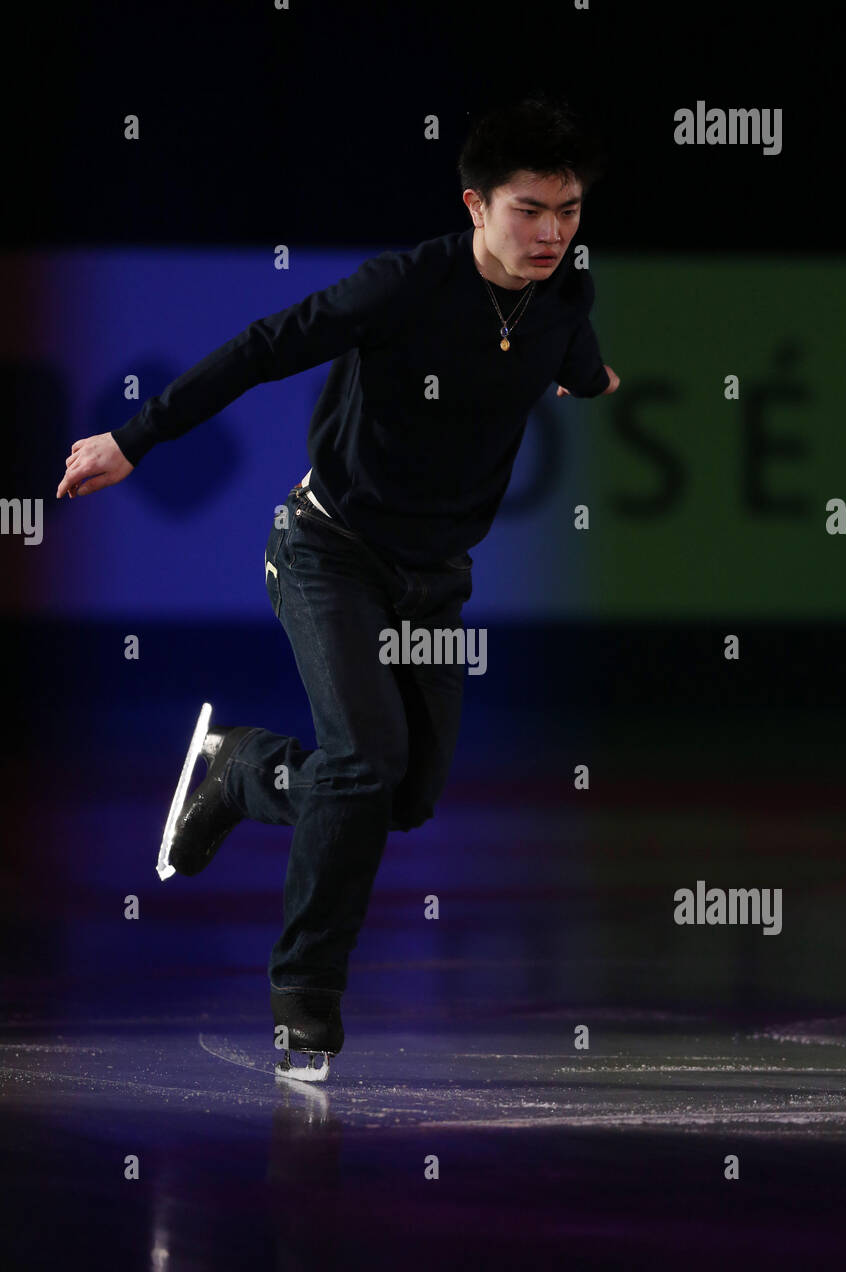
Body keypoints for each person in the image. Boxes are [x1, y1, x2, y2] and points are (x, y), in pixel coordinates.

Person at [56, 94, 620, 1083]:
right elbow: (265, 345)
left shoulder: (565, 286)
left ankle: (238, 769)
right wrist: (133, 439)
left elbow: (573, 357)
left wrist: (595, 377)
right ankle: (304, 998)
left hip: (435, 584)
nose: (550, 232)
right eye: (528, 210)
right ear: (475, 204)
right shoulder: (404, 286)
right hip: (328, 550)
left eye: (567, 211)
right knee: (362, 763)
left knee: (403, 796)